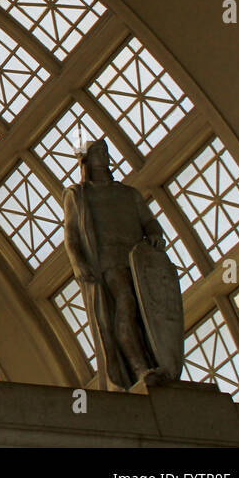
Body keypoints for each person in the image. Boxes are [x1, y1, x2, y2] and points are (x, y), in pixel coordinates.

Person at [62, 139, 168, 389]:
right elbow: (71, 234)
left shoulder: (128, 193)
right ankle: (139, 368)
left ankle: (154, 362)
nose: (103, 156)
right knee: (125, 305)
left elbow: (149, 220)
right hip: (108, 261)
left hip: (138, 259)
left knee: (145, 313)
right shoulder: (77, 195)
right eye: (98, 152)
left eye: (106, 152)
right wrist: (78, 263)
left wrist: (154, 234)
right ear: (86, 159)